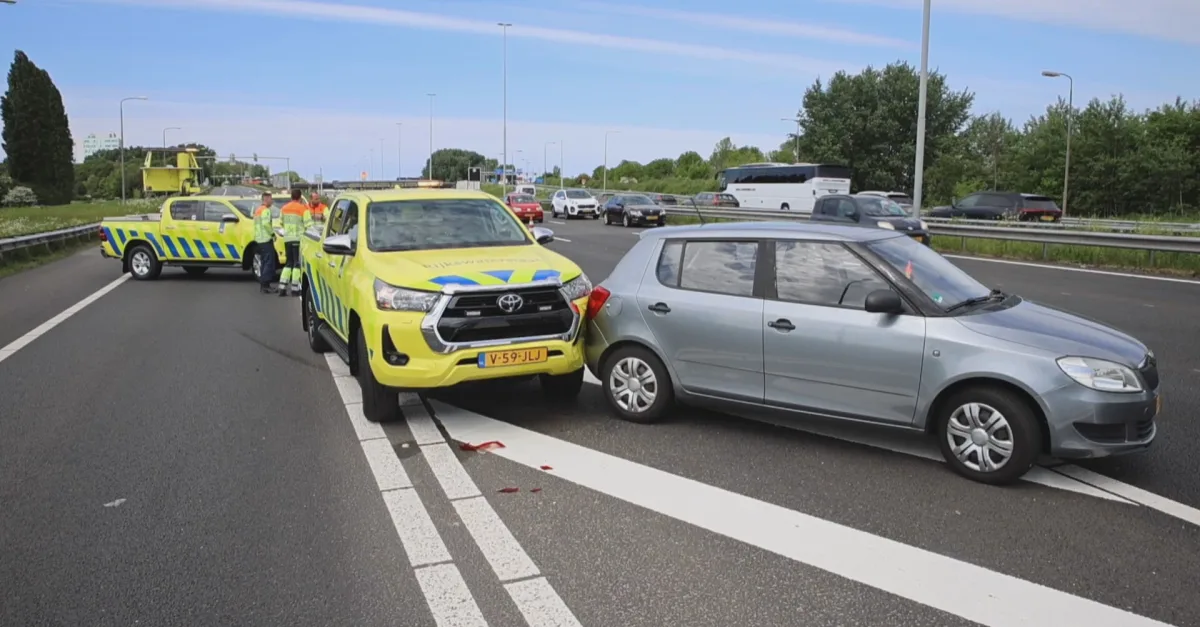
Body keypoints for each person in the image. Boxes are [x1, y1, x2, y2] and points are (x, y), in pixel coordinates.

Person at [278, 189, 307, 297]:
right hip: (298, 239)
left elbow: (281, 222)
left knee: (288, 263)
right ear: (300, 197)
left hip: (287, 239)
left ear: (291, 197)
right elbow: (308, 224)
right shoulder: (302, 208)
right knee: (296, 264)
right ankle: (295, 289)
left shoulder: (284, 208)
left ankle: (282, 287)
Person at [253, 192, 277, 294]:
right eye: (271, 199)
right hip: (266, 239)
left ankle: (263, 285)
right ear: (266, 199)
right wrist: (273, 234)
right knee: (268, 262)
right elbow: (266, 224)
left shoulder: (257, 210)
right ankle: (266, 285)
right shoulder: (266, 210)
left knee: (263, 262)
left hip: (259, 240)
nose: (272, 201)